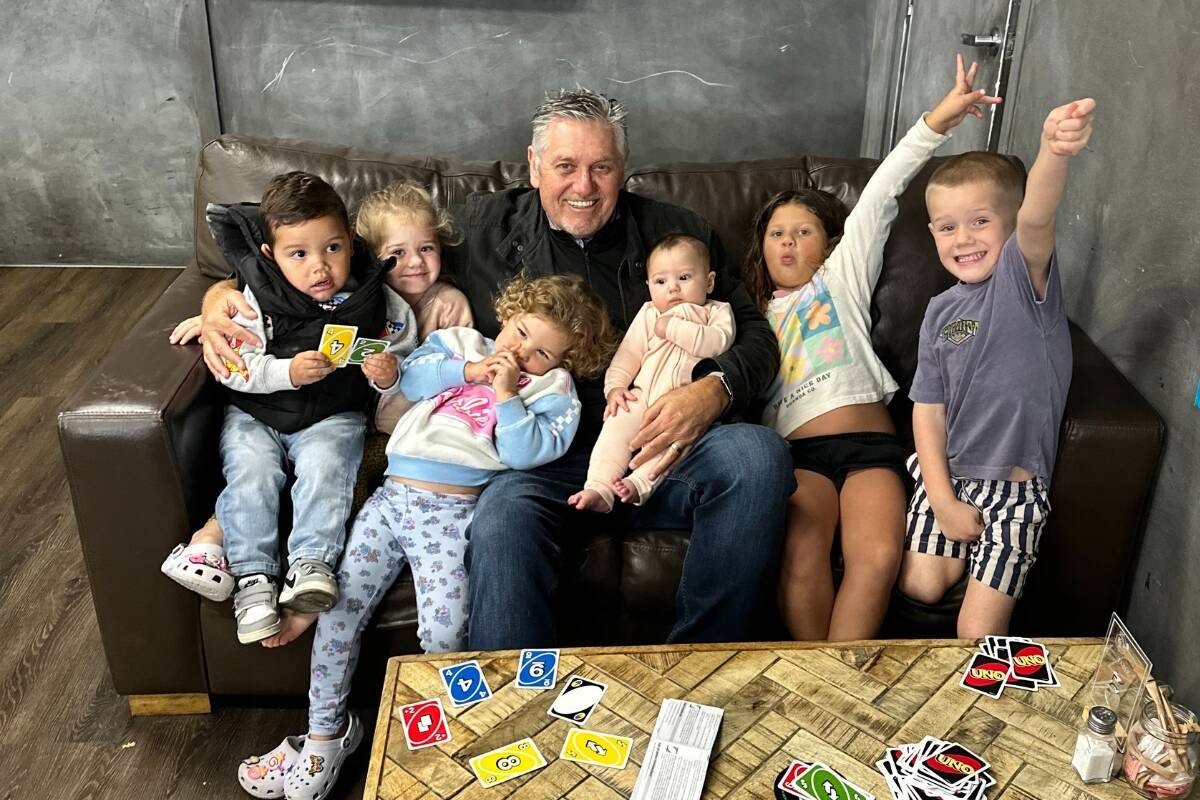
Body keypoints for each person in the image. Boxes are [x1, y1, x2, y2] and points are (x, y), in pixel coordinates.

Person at [198, 88, 793, 649]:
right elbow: (340, 253)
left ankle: (703, 672)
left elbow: (756, 333)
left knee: (755, 455)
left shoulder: (676, 234)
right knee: (503, 518)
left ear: (623, 169)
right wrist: (223, 291)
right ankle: (508, 702)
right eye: (565, 166)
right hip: (535, 453)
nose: (583, 186)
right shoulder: (481, 227)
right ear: (534, 166)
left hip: (657, 444)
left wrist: (714, 391)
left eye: (602, 168)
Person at [237, 274, 613, 800]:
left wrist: (507, 395)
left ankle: (440, 738)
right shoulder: (462, 342)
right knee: (338, 612)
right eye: (521, 333)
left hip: (452, 515)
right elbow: (409, 381)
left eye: (542, 353)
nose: (521, 353)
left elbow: (528, 454)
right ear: (508, 315)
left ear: (564, 363)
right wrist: (471, 371)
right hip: (390, 500)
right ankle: (325, 733)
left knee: (446, 633)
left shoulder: (555, 391)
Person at [744, 57, 1000, 641]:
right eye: (777, 233)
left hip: (870, 446)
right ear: (761, 249)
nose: (789, 242)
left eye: (803, 231)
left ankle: (839, 682)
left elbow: (884, 188)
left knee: (879, 556)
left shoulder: (840, 277)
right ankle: (817, 685)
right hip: (797, 455)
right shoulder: (747, 316)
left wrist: (938, 120)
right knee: (801, 556)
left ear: (829, 242)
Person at [161, 181, 469, 616]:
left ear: (352, 244)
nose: (320, 267)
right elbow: (236, 366)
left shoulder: (380, 300)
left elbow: (400, 358)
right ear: (271, 256)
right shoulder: (255, 298)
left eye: (332, 249)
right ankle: (252, 578)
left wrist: (388, 374)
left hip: (334, 416)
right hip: (255, 414)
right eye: (299, 254)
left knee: (328, 466)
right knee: (252, 471)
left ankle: (312, 564)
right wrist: (286, 372)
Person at [898, 96, 1095, 638]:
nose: (963, 239)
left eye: (981, 222)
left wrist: (1053, 152)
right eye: (947, 228)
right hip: (950, 478)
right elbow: (928, 410)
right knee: (921, 587)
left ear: (1009, 225)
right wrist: (942, 500)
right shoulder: (939, 311)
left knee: (976, 632)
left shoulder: (1022, 281)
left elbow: (1038, 216)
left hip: (1014, 492)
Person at [568, 232, 733, 511]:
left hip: (682, 402)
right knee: (615, 426)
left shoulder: (716, 312)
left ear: (709, 282)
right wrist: (615, 388)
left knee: (673, 442)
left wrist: (674, 328)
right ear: (649, 286)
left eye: (684, 277)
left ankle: (639, 484)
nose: (673, 289)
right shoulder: (649, 314)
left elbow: (718, 343)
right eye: (661, 281)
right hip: (642, 395)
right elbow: (628, 355)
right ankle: (599, 487)